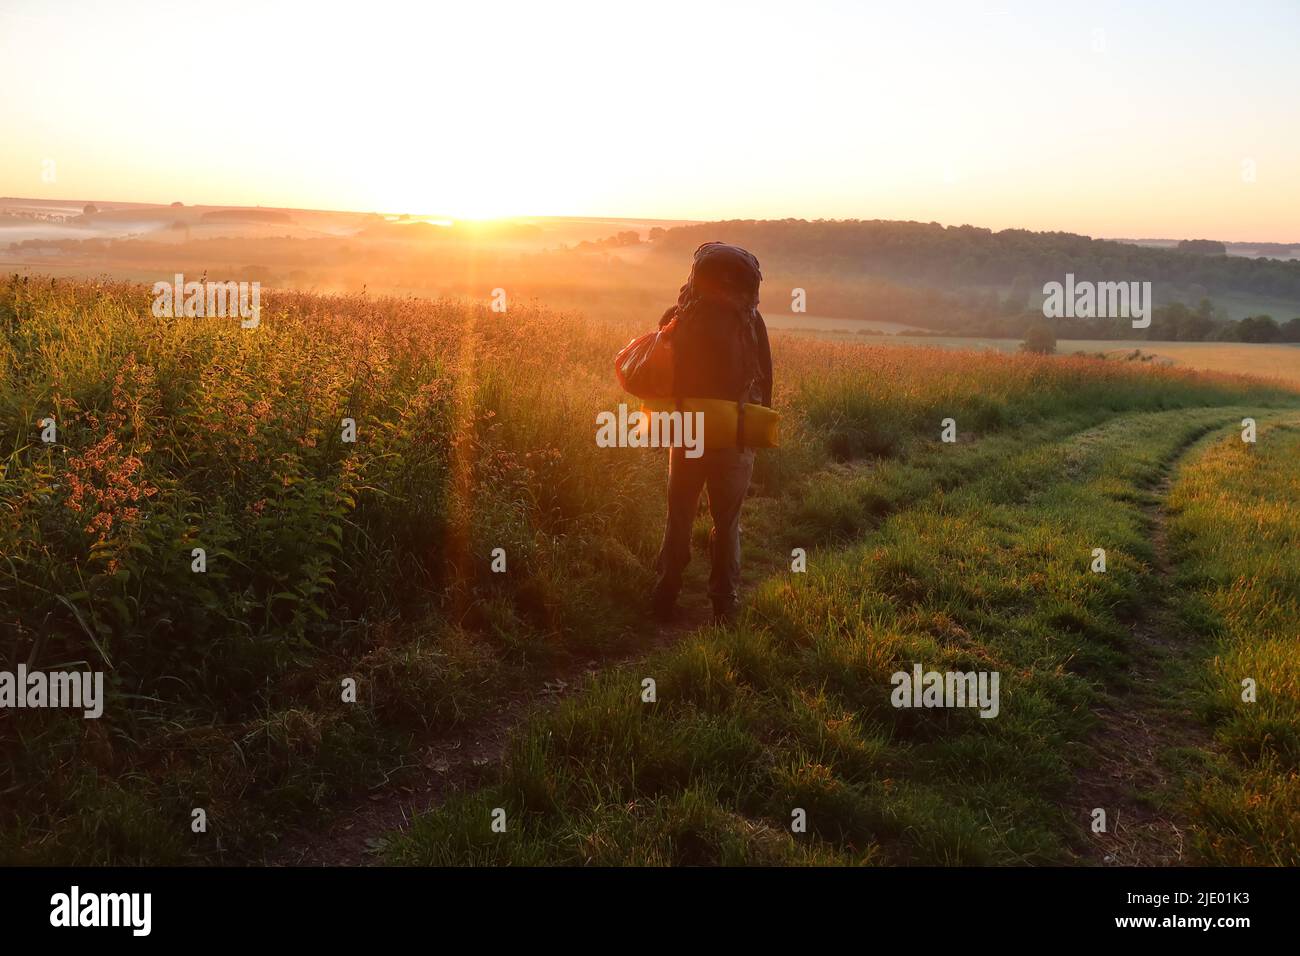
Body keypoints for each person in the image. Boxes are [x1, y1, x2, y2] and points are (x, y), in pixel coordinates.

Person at [650, 242, 773, 625]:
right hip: (733, 432)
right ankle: (724, 602)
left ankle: (666, 592)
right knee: (727, 521)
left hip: (687, 430)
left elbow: (660, 374)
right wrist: (755, 427)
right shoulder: (751, 321)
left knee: (679, 514)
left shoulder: (678, 314)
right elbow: (765, 379)